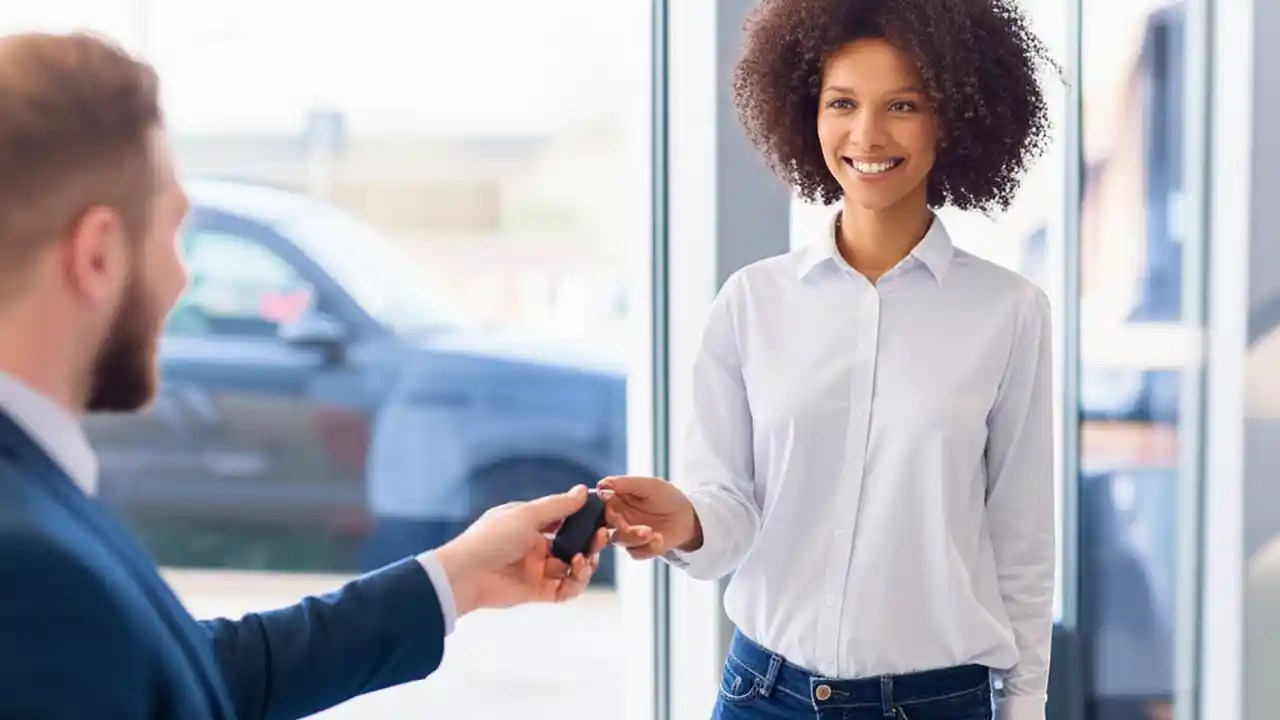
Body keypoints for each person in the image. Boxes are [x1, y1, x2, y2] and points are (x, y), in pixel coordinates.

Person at [0, 32, 606, 719]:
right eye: (171, 234)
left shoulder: (32, 504)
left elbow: (190, 673)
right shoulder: (29, 571)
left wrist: (457, 576)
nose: (180, 278)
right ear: (99, 254)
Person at [601, 0, 1055, 718]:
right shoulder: (752, 302)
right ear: (805, 114)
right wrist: (685, 521)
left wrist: (1025, 707)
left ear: (955, 117)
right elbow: (732, 512)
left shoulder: (1010, 312)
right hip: (763, 695)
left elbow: (1022, 541)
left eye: (903, 104)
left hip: (939, 702)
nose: (867, 134)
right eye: (841, 103)